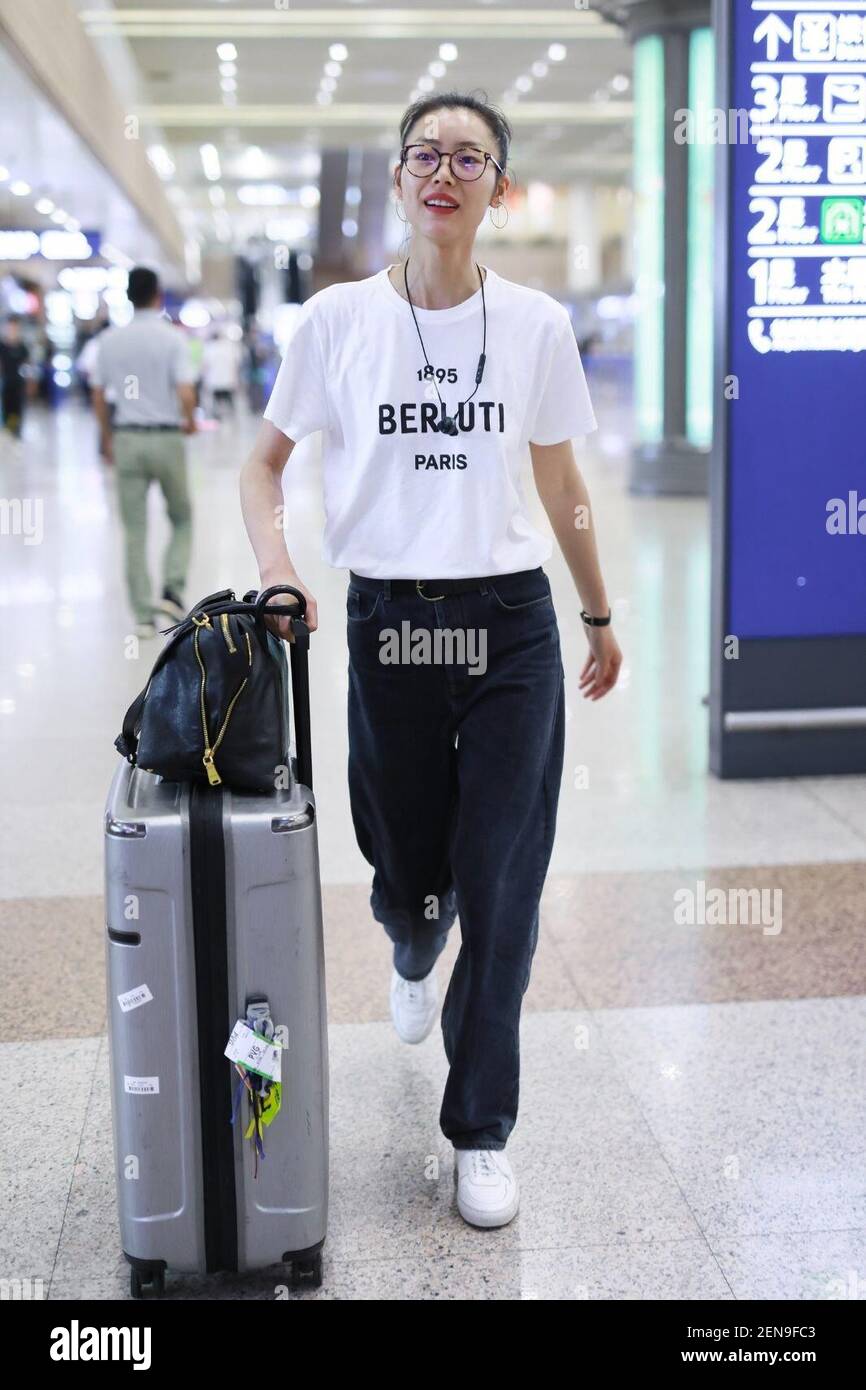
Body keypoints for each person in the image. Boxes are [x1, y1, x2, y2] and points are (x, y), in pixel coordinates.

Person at [239, 91, 622, 1229]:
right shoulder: (335, 322)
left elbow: (561, 486)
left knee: (502, 883)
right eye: (424, 154)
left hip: (508, 625)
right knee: (407, 863)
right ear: (400, 181)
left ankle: (480, 1128)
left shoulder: (537, 326)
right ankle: (410, 937)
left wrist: (595, 614)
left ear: (497, 189)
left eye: (470, 158)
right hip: (390, 622)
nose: (443, 172)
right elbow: (262, 467)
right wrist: (281, 565)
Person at [91, 266, 197, 638]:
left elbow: (100, 395)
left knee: (134, 529)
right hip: (166, 437)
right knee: (182, 517)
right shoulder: (172, 339)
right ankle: (171, 589)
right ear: (158, 296)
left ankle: (142, 616)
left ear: (129, 297)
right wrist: (189, 420)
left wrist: (107, 437)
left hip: (128, 437)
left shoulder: (110, 340)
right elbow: (185, 391)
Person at [201, 326, 241, 417]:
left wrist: (205, 381)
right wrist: (236, 380)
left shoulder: (209, 348)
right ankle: (232, 417)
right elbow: (235, 365)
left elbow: (205, 366)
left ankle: (217, 417)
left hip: (215, 380)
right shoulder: (230, 348)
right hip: (228, 380)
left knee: (216, 404)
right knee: (230, 403)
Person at [0, 316, 29, 438]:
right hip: (5, 380)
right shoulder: (2, 345)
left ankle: (15, 429)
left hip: (18, 381)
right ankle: (8, 427)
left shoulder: (22, 346)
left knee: (17, 406)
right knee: (7, 405)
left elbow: (27, 364)